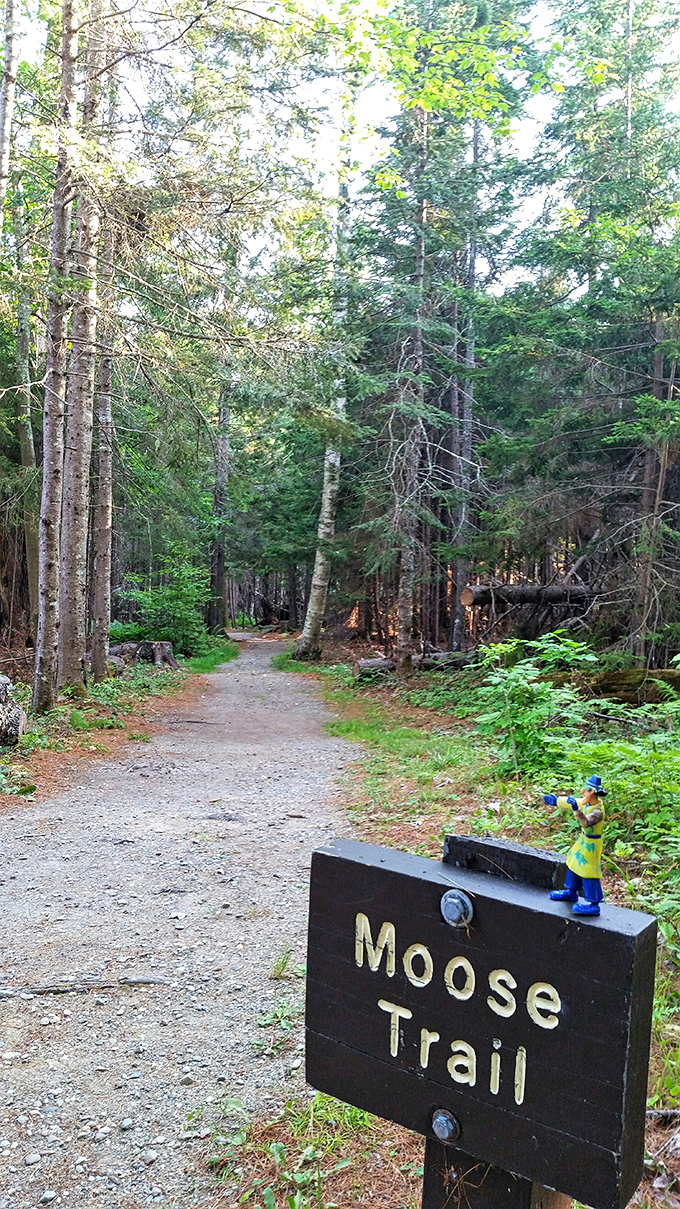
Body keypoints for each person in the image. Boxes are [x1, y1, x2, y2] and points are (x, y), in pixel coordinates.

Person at [542, 774, 607, 916]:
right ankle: (571, 891)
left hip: (592, 845)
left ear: (593, 792)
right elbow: (573, 801)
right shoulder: (587, 803)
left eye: (587, 789)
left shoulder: (597, 812)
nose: (583, 791)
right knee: (573, 863)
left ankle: (594, 903)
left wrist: (576, 810)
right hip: (583, 842)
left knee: (589, 872)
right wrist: (556, 801)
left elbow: (586, 822)